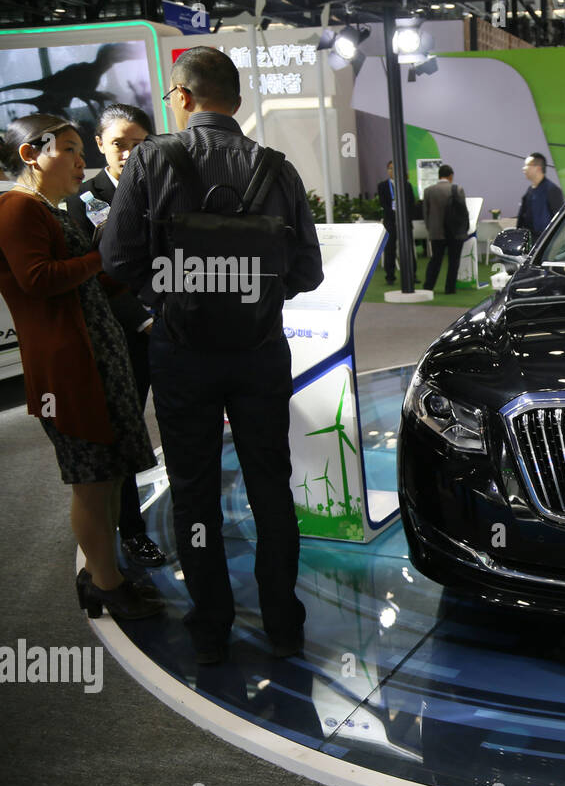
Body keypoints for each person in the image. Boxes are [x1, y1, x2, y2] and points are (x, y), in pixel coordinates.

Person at [101, 46, 324, 665]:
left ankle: (211, 629)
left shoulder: (150, 159)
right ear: (239, 102)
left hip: (182, 352)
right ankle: (283, 624)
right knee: (271, 488)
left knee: (195, 491)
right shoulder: (277, 169)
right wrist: (249, 285)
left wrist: (173, 290)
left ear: (181, 97)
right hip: (259, 351)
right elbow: (307, 270)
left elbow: (117, 260)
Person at [0, 114, 163, 621]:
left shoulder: (44, 208)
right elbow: (39, 279)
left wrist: (116, 266)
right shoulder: (16, 208)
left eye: (78, 149)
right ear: (30, 153)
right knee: (92, 480)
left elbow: (83, 282)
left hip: (97, 357)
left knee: (110, 475)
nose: (79, 161)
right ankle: (106, 584)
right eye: (67, 149)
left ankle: (101, 572)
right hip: (70, 368)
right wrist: (103, 253)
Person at [66, 103, 167, 569]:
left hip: (175, 326)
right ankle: (134, 532)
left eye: (138, 143)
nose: (129, 153)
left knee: (181, 426)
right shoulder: (81, 201)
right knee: (127, 438)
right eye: (119, 144)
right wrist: (143, 318)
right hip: (123, 337)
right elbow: (97, 276)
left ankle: (190, 518)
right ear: (100, 145)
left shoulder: (168, 190)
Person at [422, 163, 470, 295]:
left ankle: (428, 287)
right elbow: (463, 212)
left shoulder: (428, 191)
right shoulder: (457, 189)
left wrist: (430, 228)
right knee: (453, 261)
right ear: (451, 176)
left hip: (436, 232)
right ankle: (450, 289)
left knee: (435, 260)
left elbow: (425, 213)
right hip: (455, 232)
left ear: (439, 176)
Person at [378, 159, 417, 283]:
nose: (392, 171)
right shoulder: (382, 186)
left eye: (394, 168)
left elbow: (411, 204)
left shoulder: (406, 185)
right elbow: (384, 204)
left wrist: (403, 216)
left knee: (408, 248)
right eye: (390, 168)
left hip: (405, 222)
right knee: (390, 249)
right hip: (390, 222)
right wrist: (394, 215)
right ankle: (390, 276)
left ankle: (412, 275)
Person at [516, 152, 565, 236]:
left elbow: (559, 219)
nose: (524, 168)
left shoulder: (552, 190)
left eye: (527, 165)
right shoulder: (530, 190)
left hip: (543, 241)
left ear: (538, 168)